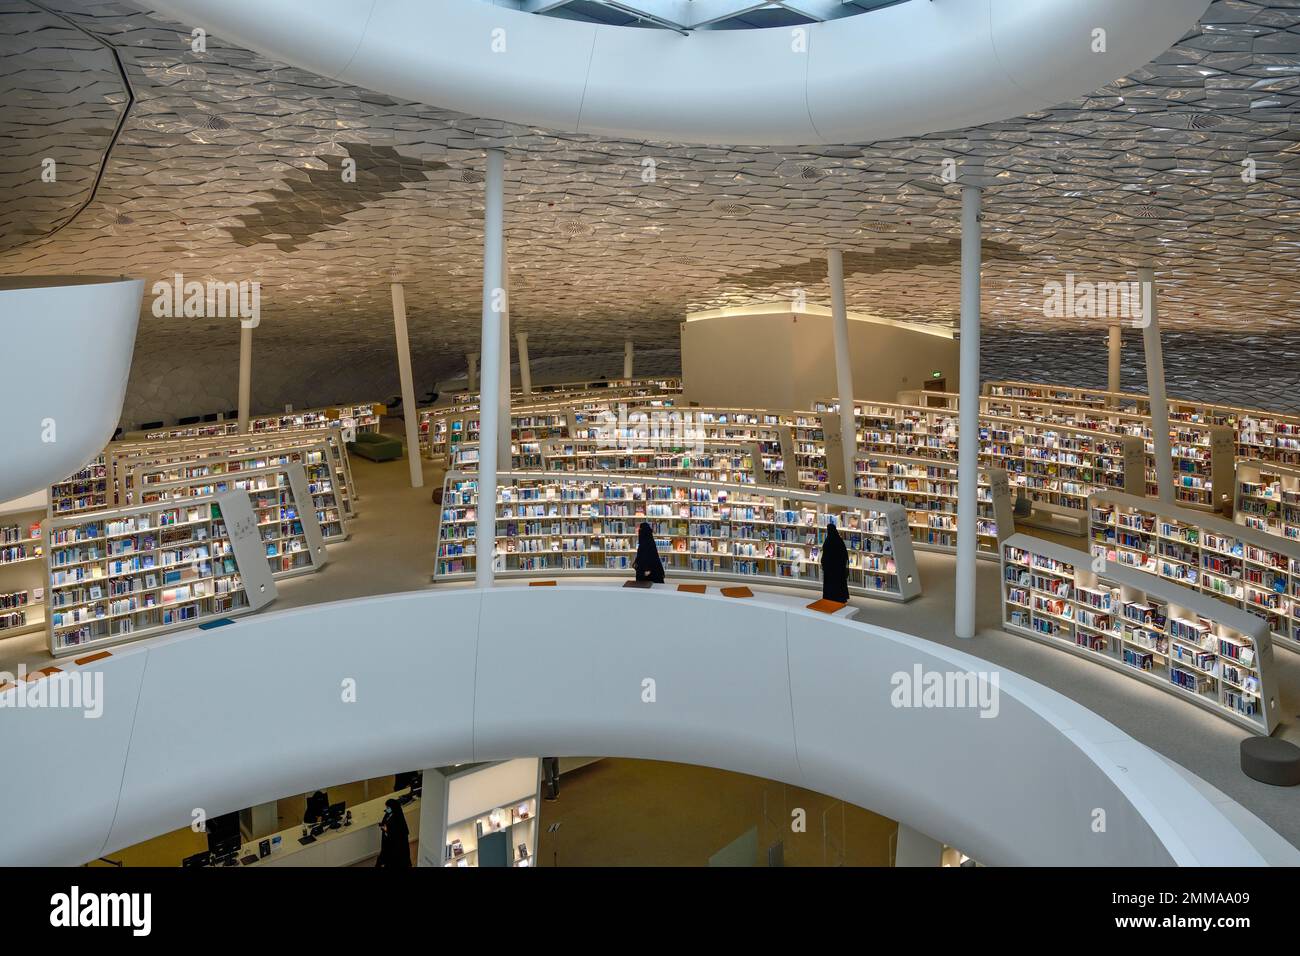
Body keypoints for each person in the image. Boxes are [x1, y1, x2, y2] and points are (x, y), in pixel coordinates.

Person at [376, 799, 411, 868]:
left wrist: (387, 830)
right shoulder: (388, 813)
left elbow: (398, 833)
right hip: (388, 842)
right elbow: (385, 821)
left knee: (393, 861)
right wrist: (383, 826)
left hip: (395, 846)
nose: (387, 809)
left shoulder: (398, 818)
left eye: (388, 807)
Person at [821, 520, 849, 603]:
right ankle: (840, 597)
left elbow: (825, 555)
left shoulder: (827, 541)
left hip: (829, 568)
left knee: (830, 583)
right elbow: (844, 555)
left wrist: (824, 564)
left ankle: (830, 597)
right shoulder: (839, 541)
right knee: (839, 582)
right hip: (839, 568)